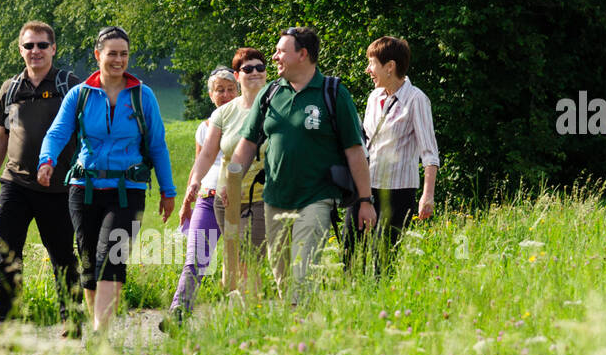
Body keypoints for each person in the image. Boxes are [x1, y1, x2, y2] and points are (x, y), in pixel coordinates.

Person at [36, 26, 176, 335]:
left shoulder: (142, 95)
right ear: (98, 55)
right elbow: (57, 133)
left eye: (124, 54)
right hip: (84, 188)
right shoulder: (81, 94)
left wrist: (168, 191)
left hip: (128, 189)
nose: (118, 60)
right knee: (88, 261)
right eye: (112, 54)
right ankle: (97, 324)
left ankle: (100, 332)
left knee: (112, 255)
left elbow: (157, 144)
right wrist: (47, 161)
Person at [226, 27, 373, 306]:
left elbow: (355, 151)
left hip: (317, 197)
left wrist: (365, 200)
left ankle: (298, 332)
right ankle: (298, 328)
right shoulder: (270, 94)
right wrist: (232, 184)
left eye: (281, 51)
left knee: (303, 272)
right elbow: (246, 145)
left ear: (303, 54)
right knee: (281, 273)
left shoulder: (333, 93)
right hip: (275, 198)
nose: (275, 56)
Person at [0, 21, 83, 335]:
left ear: (53, 49)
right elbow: (0, 134)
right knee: (6, 255)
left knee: (63, 255)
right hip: (15, 183)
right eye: (29, 46)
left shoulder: (69, 85)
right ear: (20, 50)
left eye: (42, 45)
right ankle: (9, 326)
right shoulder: (11, 89)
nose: (35, 51)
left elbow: (87, 131)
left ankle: (72, 318)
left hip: (59, 186)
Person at [341, 36, 439, 272]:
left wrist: (428, 196)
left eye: (371, 63)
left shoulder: (417, 100)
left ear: (390, 66)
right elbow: (364, 142)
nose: (368, 70)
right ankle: (350, 300)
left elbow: (429, 153)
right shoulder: (374, 97)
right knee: (349, 250)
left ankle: (380, 305)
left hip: (397, 191)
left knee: (382, 259)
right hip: (364, 187)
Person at [183, 48, 270, 297]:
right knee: (231, 265)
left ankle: (249, 316)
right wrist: (195, 182)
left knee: (248, 260)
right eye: (248, 68)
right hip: (226, 199)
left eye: (260, 68)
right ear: (237, 74)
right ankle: (234, 316)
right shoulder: (224, 113)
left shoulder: (276, 106)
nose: (255, 72)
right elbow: (207, 154)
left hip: (262, 197)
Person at [162, 67, 238, 328]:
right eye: (220, 90)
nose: (226, 95)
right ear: (210, 94)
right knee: (195, 260)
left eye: (230, 89)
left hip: (240, 200)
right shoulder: (204, 129)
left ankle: (239, 321)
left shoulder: (248, 121)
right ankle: (178, 313)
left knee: (240, 264)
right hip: (207, 197)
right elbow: (198, 165)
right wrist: (186, 201)